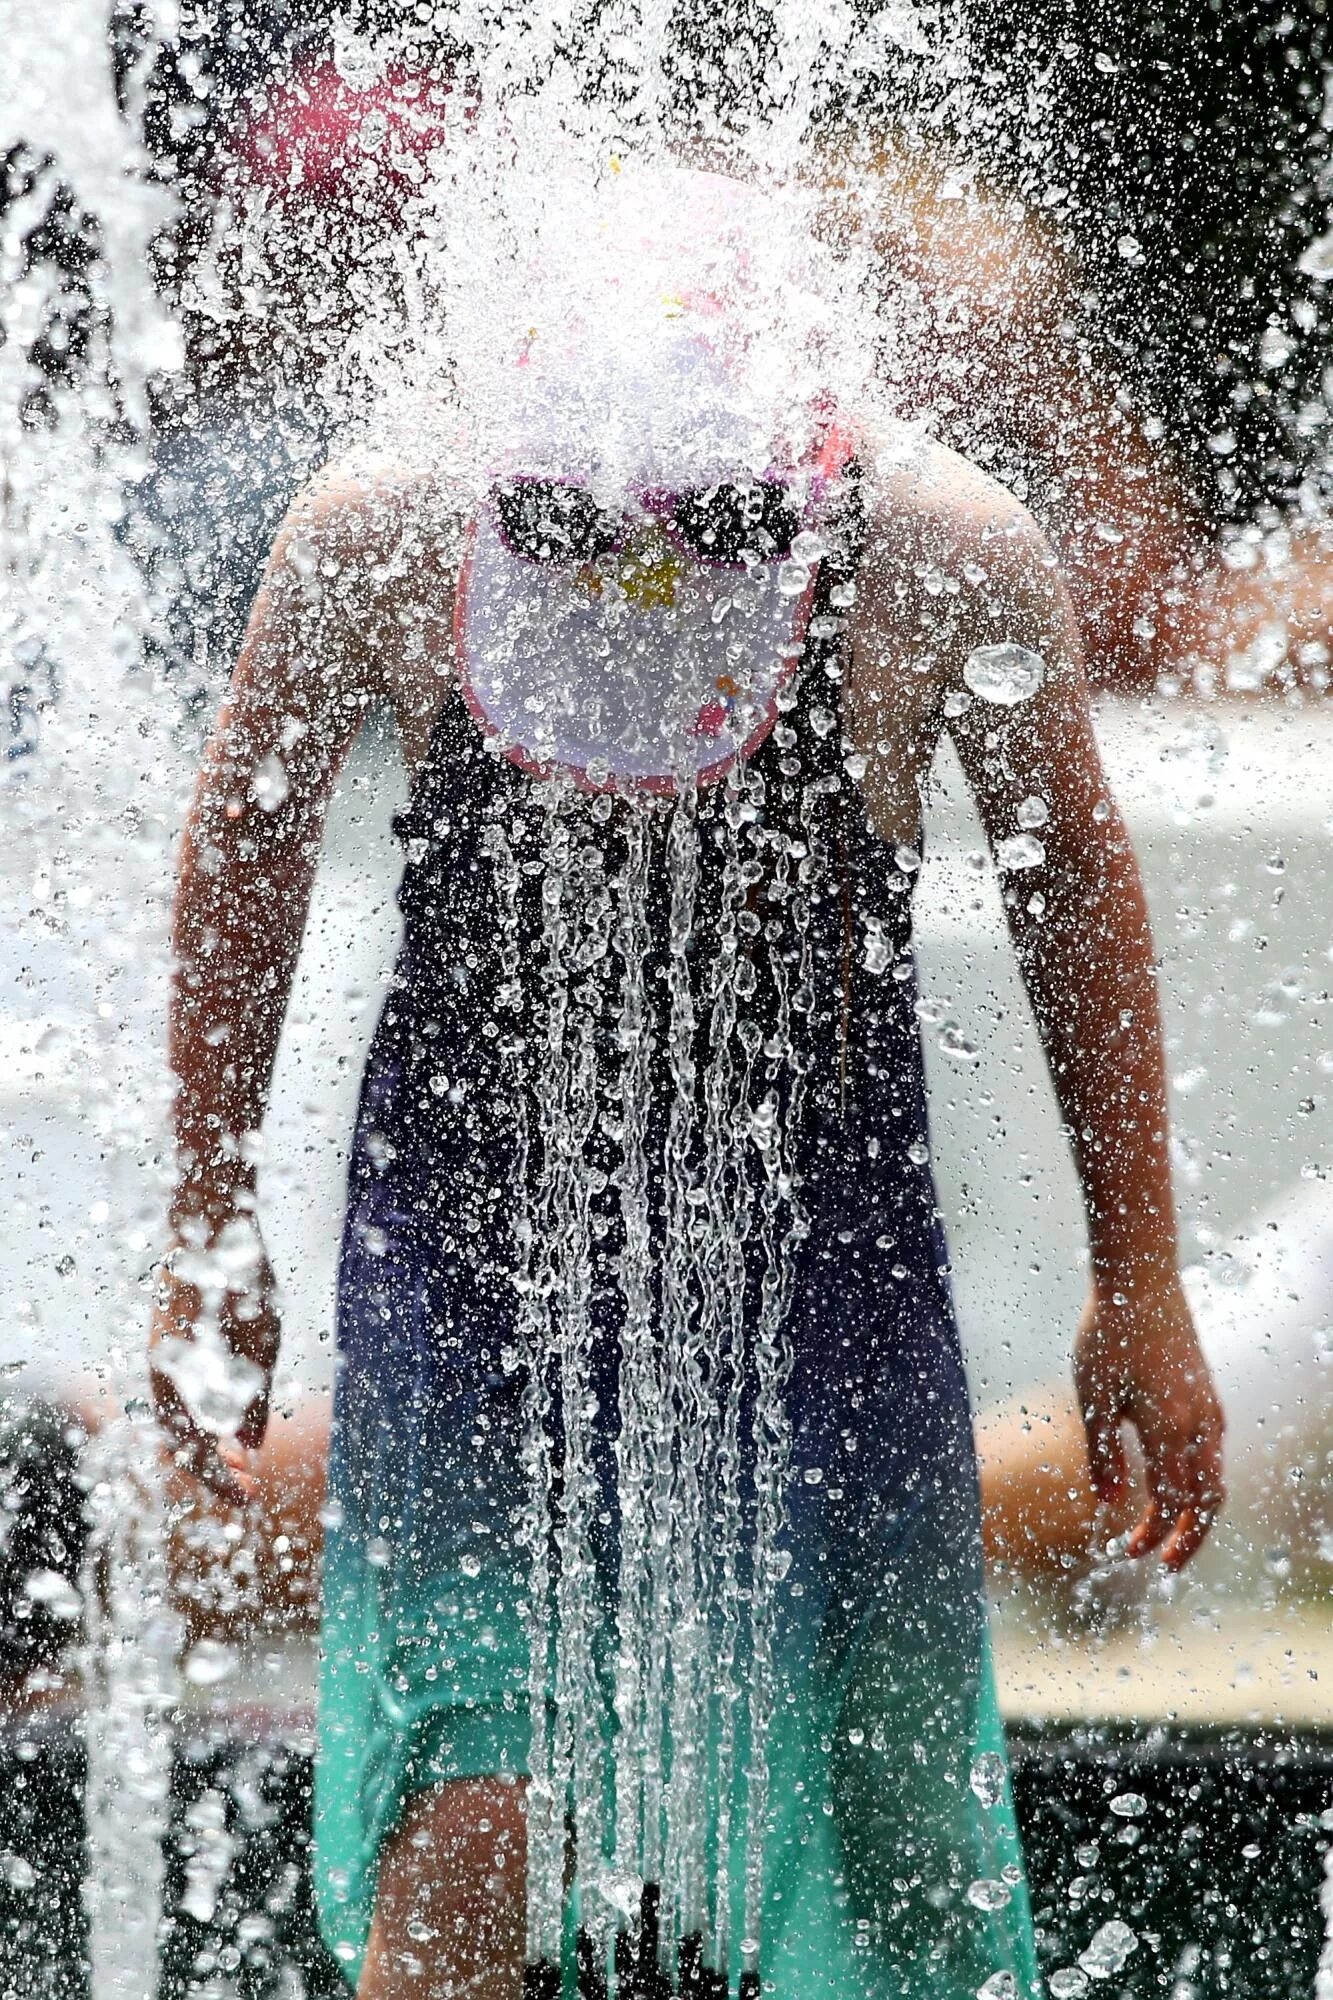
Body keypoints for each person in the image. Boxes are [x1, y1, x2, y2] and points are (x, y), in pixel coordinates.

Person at [149, 160, 1223, 2000]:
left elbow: (1073, 901)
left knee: (883, 1868)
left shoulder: (943, 550)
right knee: (469, 1818)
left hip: (827, 1283)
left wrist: (1140, 1280)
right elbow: (238, 861)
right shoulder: (382, 533)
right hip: (468, 1278)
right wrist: (201, 1215)